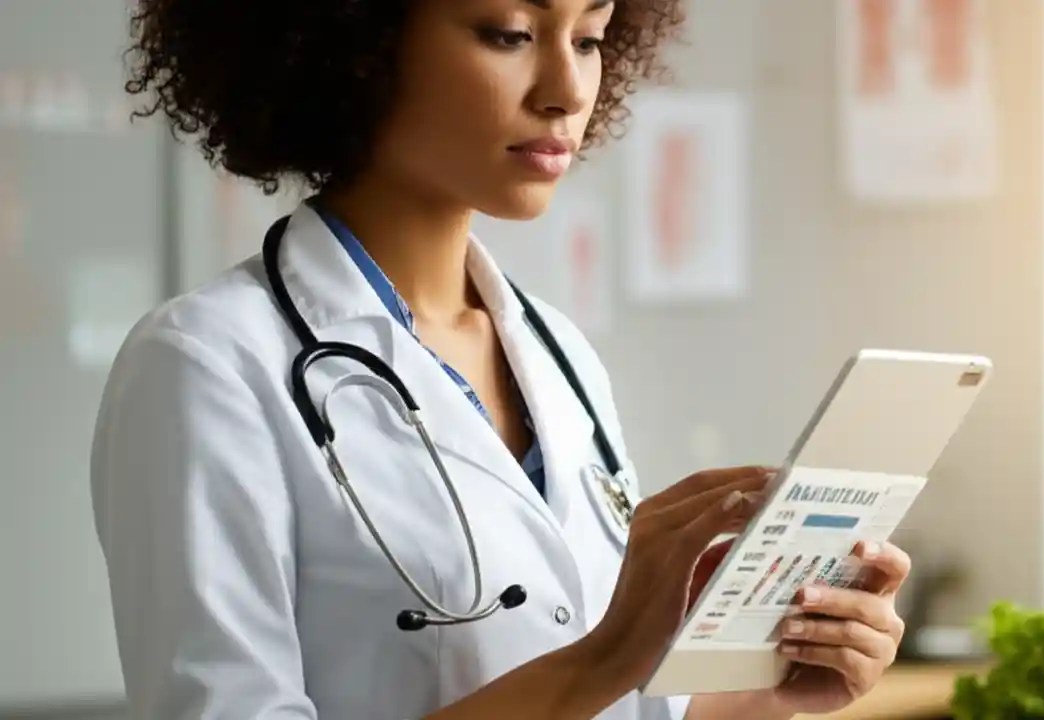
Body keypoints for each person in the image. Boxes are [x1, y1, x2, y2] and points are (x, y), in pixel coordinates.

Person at [91, 0, 912, 718]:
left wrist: (771, 694)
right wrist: (607, 655)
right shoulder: (206, 366)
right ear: (359, 43)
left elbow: (629, 712)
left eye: (590, 38)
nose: (567, 90)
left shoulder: (560, 357)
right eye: (511, 33)